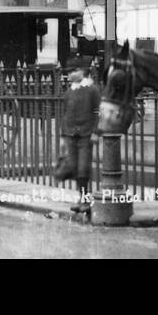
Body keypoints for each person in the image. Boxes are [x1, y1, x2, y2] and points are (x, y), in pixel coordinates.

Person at [57, 66, 100, 215]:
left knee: (83, 168)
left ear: (82, 72)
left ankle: (85, 201)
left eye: (72, 72)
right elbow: (65, 114)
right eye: (68, 72)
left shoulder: (92, 89)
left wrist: (96, 131)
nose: (69, 75)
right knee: (75, 167)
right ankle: (81, 199)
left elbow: (97, 112)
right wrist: (63, 135)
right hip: (70, 134)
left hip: (86, 134)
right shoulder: (69, 92)